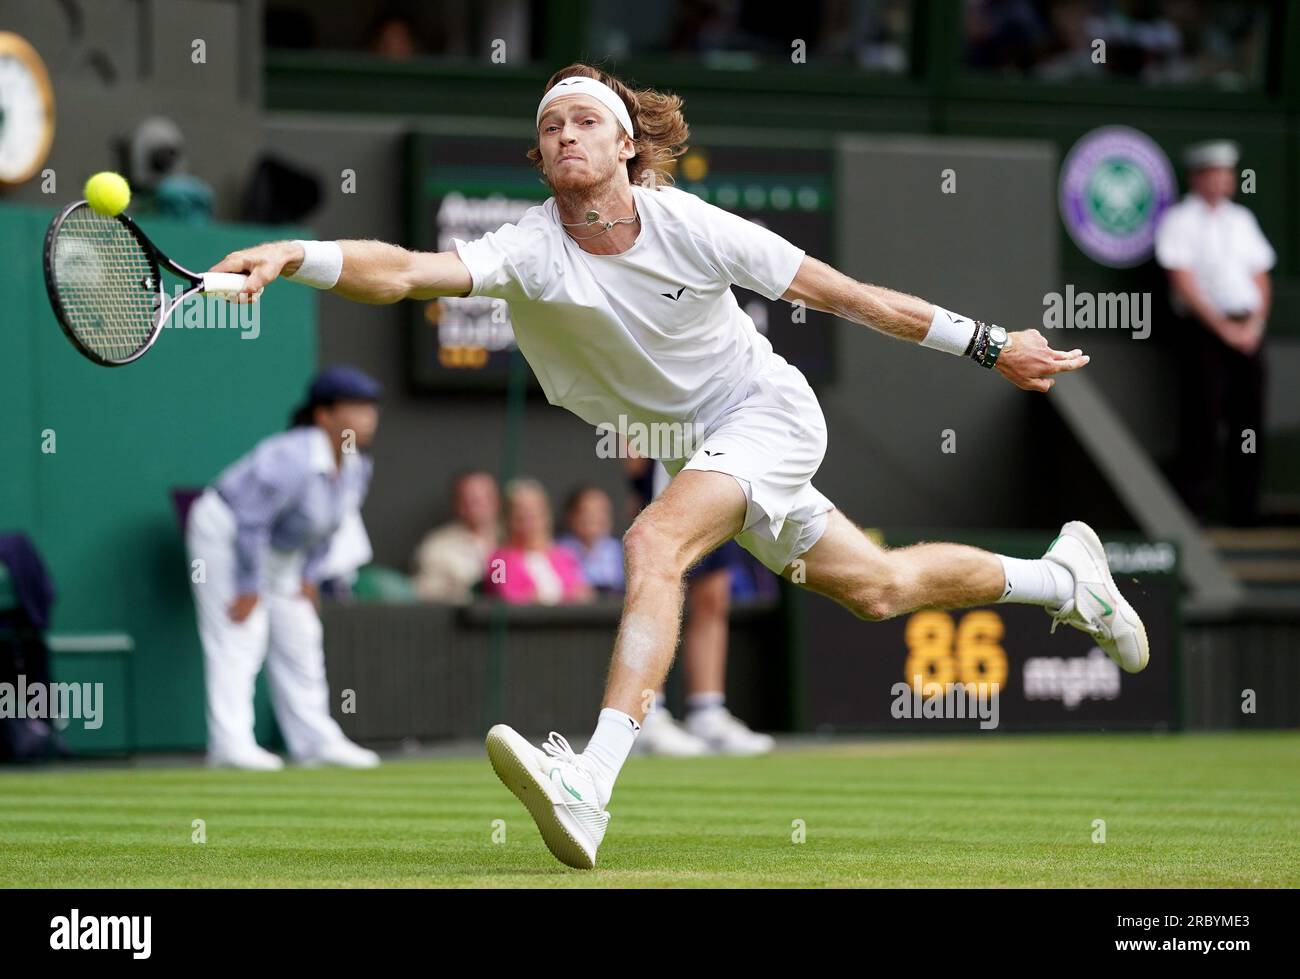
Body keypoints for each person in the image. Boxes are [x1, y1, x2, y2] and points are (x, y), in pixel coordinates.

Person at [208, 63, 1148, 868]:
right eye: (549, 126)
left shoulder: (694, 226)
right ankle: (1065, 577)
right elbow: (407, 271)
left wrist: (991, 345)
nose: (564, 134)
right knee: (880, 588)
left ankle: (591, 779)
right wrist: (297, 252)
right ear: (539, 160)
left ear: (624, 147)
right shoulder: (529, 246)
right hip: (691, 448)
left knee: (653, 541)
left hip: (765, 415)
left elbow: (852, 298)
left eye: (584, 121)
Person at [185, 366, 383, 771]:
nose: (368, 418)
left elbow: (330, 523)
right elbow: (251, 522)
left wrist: (309, 576)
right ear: (324, 416)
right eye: (356, 408)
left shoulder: (358, 465)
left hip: (281, 550)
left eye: (371, 408)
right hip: (226, 533)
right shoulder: (290, 458)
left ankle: (314, 741)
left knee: (301, 630)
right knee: (242, 631)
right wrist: (247, 585)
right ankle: (230, 744)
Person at [1155, 139, 1275, 526]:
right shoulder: (1180, 220)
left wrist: (1253, 324)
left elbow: (1260, 276)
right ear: (1198, 177)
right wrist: (1221, 327)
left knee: (1249, 420)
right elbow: (1182, 278)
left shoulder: (1241, 220)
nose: (1225, 179)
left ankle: (1246, 508)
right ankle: (1195, 508)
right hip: (1204, 332)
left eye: (1228, 172)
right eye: (1216, 172)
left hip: (1247, 331)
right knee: (1202, 415)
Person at [624, 455, 773, 757]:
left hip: (721, 457)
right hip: (668, 457)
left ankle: (707, 712)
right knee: (658, 584)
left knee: (713, 596)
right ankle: (647, 715)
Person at [484, 478, 592, 605]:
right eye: (520, 511)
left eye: (535, 510)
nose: (529, 517)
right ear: (508, 518)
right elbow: (501, 594)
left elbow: (583, 592)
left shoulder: (566, 556)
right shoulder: (498, 560)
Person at [411, 470, 500, 603]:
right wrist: (464, 591)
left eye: (485, 498)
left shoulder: (514, 538)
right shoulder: (437, 546)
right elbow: (423, 592)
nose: (479, 505)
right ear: (458, 504)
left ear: (496, 501)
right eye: (471, 500)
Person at [556, 484, 624, 594]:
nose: (594, 517)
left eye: (601, 511)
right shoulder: (558, 551)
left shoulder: (622, 551)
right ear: (571, 516)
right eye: (586, 511)